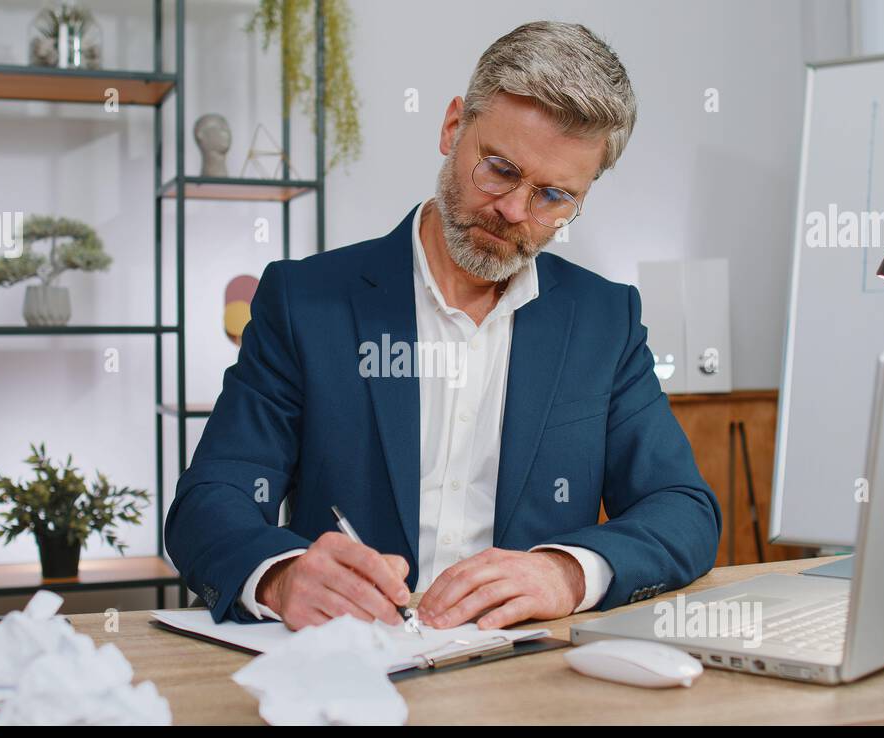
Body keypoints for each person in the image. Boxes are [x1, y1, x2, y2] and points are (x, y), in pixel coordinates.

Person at [165, 20, 721, 630]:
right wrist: (281, 575)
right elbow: (208, 503)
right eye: (501, 170)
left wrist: (566, 572)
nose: (514, 211)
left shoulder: (604, 319)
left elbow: (683, 509)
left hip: (528, 677)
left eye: (553, 197)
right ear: (453, 127)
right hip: (353, 674)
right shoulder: (306, 302)